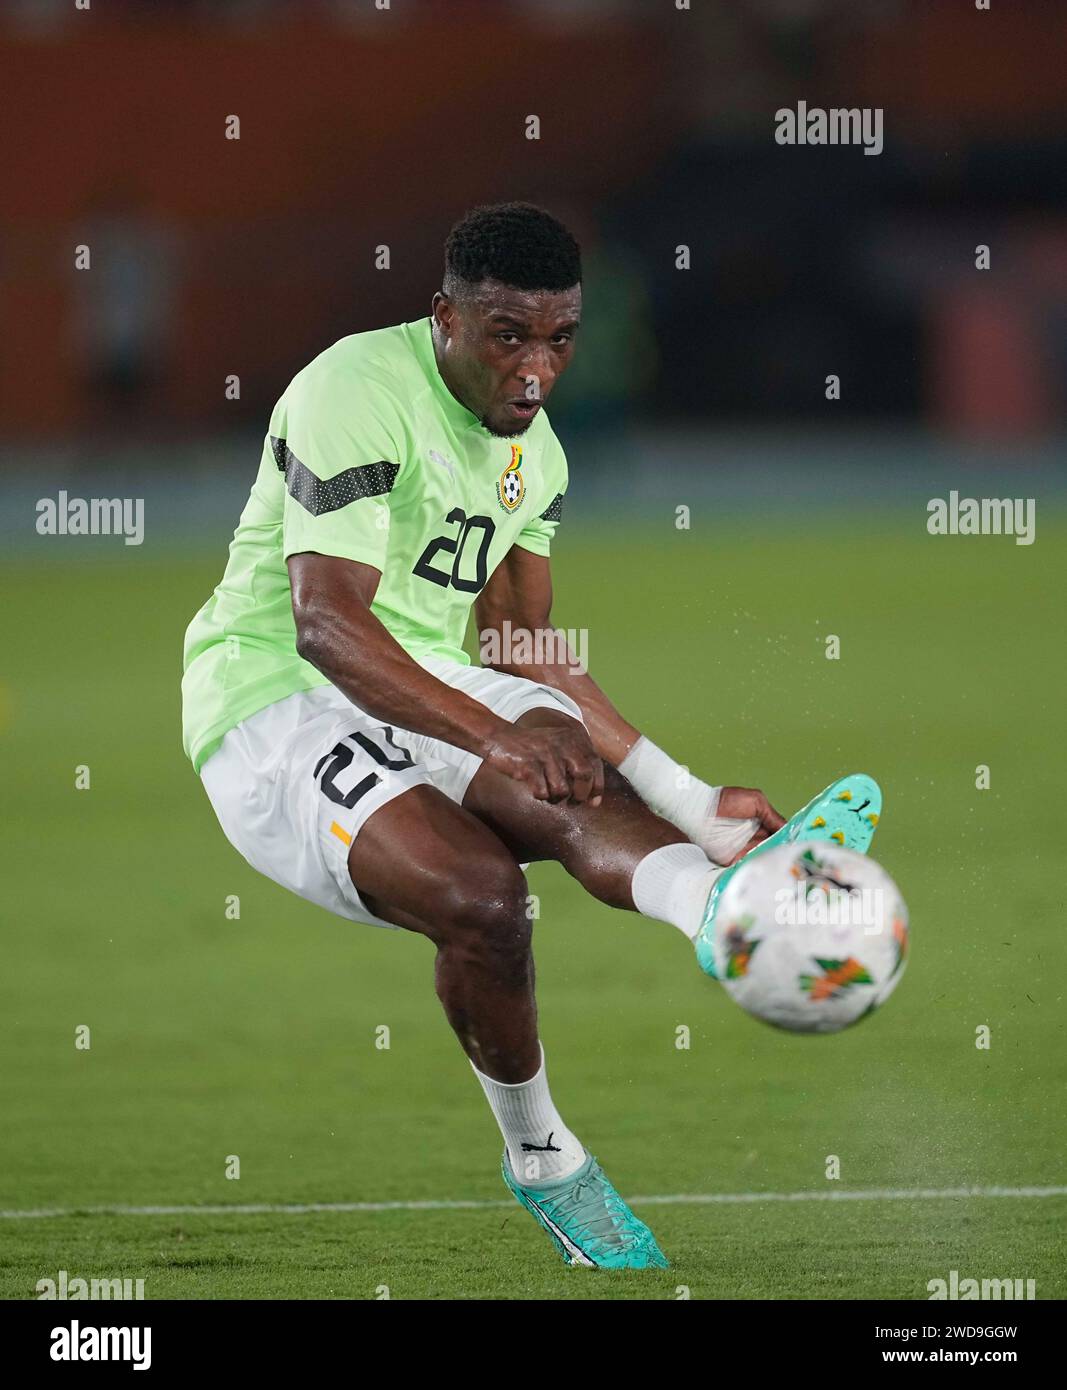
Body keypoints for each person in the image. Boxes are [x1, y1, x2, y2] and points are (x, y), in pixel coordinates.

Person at [182, 201, 874, 1269]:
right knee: (482, 899)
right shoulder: (353, 391)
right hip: (271, 696)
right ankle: (546, 1160)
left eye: (559, 339)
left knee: (561, 746)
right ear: (444, 319)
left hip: (424, 679)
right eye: (508, 335)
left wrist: (687, 794)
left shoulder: (534, 453)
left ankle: (720, 897)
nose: (535, 369)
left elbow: (515, 640)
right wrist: (491, 741)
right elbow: (325, 625)